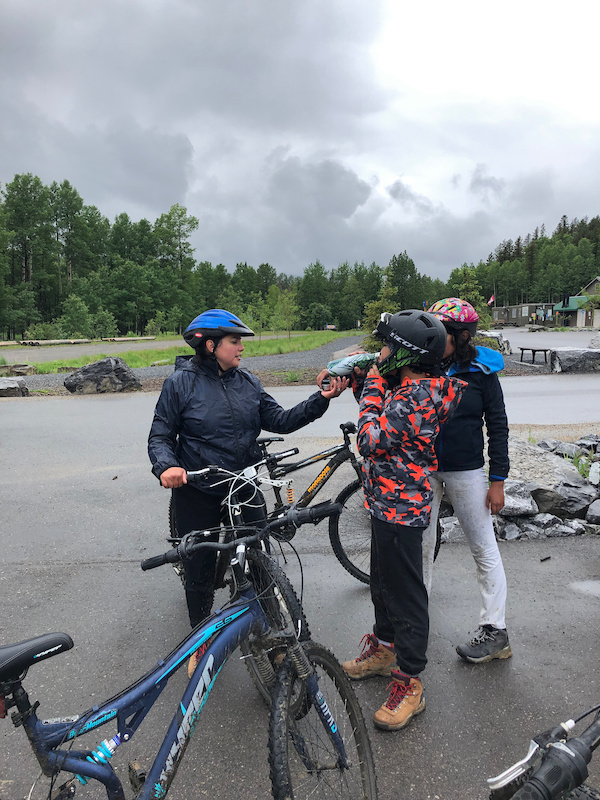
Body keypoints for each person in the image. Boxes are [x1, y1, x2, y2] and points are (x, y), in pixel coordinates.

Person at [148, 309, 347, 675]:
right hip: (200, 487)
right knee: (200, 569)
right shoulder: (180, 384)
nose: (242, 347)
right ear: (210, 346)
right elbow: (160, 436)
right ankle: (200, 641)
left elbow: (281, 421)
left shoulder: (248, 383)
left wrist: (321, 398)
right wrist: (168, 467)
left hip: (244, 483)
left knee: (259, 560)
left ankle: (271, 640)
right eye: (235, 341)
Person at [341, 310, 466, 731]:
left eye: (386, 347)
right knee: (381, 583)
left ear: (405, 354)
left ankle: (410, 681)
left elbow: (370, 440)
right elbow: (381, 417)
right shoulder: (408, 390)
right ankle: (384, 649)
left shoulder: (416, 397)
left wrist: (374, 384)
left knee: (407, 594)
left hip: (402, 511)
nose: (381, 353)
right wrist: (364, 382)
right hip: (384, 506)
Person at [423, 297, 511, 664]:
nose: (431, 337)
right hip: (423, 469)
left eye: (439, 332)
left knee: (483, 547)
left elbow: (498, 426)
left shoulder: (481, 372)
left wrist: (498, 480)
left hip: (467, 470)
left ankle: (496, 631)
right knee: (420, 548)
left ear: (461, 336)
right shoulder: (421, 363)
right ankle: (412, 624)